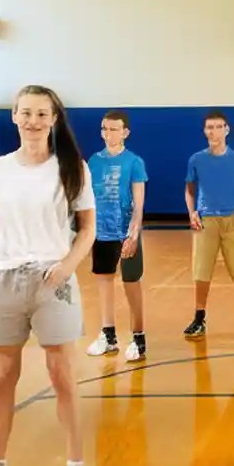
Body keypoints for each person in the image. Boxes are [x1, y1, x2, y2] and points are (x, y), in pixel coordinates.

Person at [0, 85, 95, 466]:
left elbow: (88, 229)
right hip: (3, 280)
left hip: (52, 282)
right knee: (1, 380)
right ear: (14, 117)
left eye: (42, 114)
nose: (33, 121)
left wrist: (65, 269)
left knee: (63, 378)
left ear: (54, 119)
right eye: (26, 113)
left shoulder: (71, 167)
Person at [183, 109, 234, 340]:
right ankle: (199, 318)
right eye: (209, 127)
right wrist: (191, 212)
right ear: (204, 131)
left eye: (218, 127)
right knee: (201, 270)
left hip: (233, 221)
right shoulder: (197, 159)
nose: (213, 131)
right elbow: (189, 188)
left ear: (226, 130)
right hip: (207, 220)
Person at [85, 110, 150, 362]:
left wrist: (133, 233)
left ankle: (138, 338)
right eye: (104, 128)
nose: (108, 134)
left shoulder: (134, 162)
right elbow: (88, 198)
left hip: (125, 233)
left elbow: (139, 203)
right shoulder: (93, 161)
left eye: (113, 129)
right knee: (104, 283)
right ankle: (108, 335)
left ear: (125, 133)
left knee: (131, 285)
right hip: (101, 233)